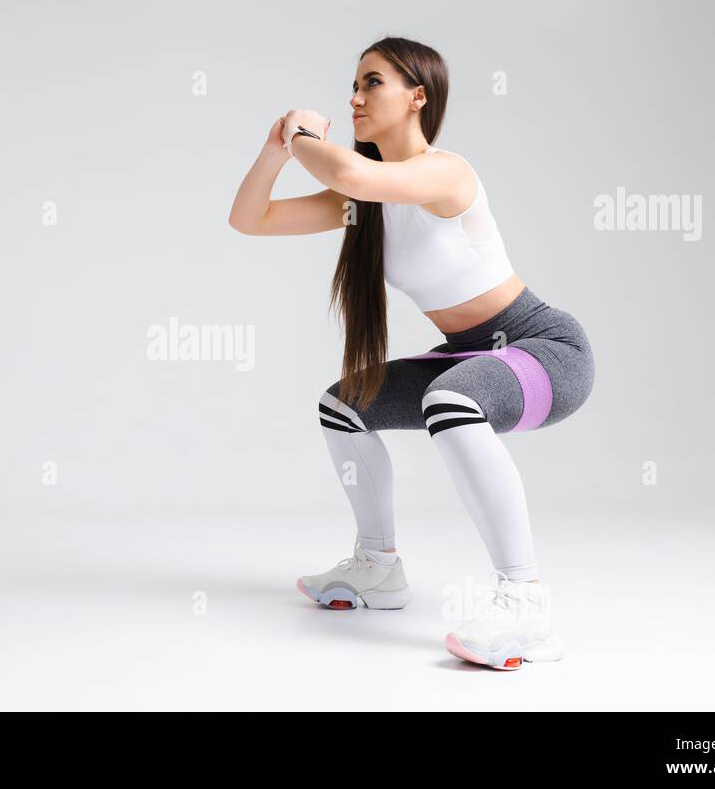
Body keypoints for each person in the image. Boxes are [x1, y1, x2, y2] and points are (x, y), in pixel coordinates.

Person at [227, 36, 595, 670]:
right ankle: (378, 566)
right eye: (355, 84)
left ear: (417, 96)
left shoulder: (445, 172)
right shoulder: (361, 206)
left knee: (449, 401)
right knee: (343, 405)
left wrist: (302, 135)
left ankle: (525, 601)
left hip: (545, 351)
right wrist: (273, 148)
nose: (355, 96)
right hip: (470, 356)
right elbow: (249, 218)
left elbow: (350, 170)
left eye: (373, 83)